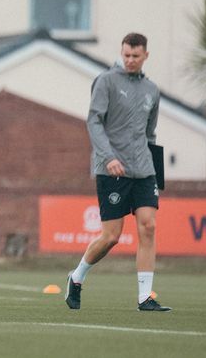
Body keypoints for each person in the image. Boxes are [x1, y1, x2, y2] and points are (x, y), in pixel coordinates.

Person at [66, 33, 169, 312]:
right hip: (112, 168)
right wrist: (108, 157)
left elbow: (150, 134)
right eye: (126, 55)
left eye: (135, 56)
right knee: (111, 236)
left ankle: (145, 297)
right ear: (121, 53)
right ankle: (77, 278)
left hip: (143, 170)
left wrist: (156, 174)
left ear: (146, 55)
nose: (130, 60)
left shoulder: (152, 90)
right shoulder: (106, 81)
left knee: (148, 226)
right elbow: (94, 122)